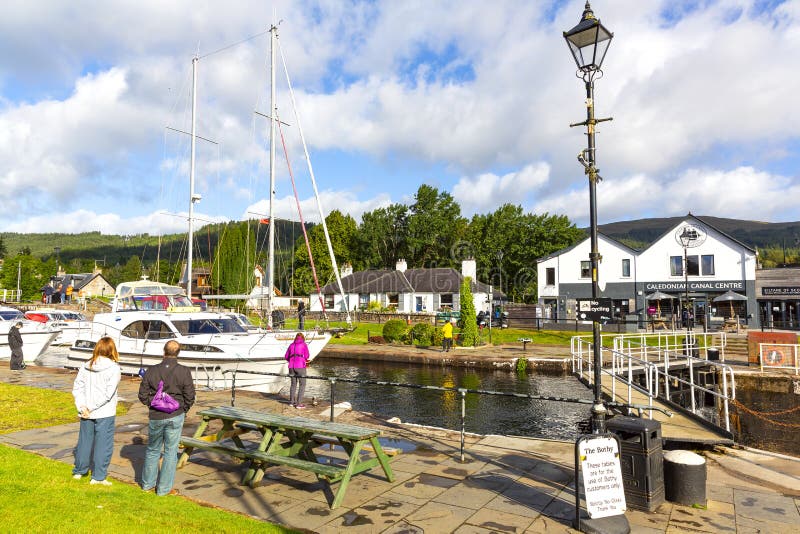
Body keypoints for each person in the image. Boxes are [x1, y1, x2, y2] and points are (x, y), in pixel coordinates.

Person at [139, 340, 195, 496]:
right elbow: (190, 395)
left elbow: (142, 395)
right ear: (178, 353)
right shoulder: (184, 371)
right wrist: (183, 409)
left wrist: (155, 404)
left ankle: (147, 484)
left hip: (157, 415)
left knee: (152, 450)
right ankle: (163, 489)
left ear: (163, 351)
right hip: (175, 415)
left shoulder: (151, 371)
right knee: (170, 452)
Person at [71, 337, 121, 485]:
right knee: (103, 445)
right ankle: (98, 476)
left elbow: (77, 388)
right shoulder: (114, 368)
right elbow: (108, 393)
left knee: (84, 442)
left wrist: (82, 406)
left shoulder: (85, 365)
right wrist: (86, 407)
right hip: (104, 412)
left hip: (87, 410)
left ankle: (80, 471)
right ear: (112, 350)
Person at [284, 333, 310, 408]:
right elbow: (307, 355)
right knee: (302, 384)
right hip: (300, 366)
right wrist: (303, 359)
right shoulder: (303, 344)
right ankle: (299, 404)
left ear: (295, 338)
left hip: (291, 366)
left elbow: (286, 356)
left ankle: (291, 402)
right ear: (302, 338)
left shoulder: (291, 345)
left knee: (293, 384)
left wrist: (291, 360)